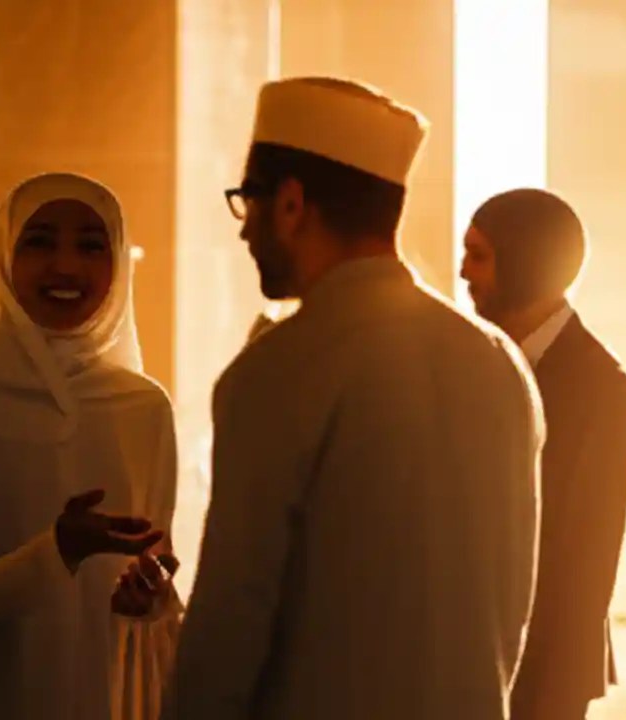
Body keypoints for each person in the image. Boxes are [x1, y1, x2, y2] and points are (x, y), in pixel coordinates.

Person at [164, 77, 543, 720]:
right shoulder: (496, 361)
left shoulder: (278, 371)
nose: (244, 231)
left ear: (290, 203)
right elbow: (510, 605)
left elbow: (233, 619)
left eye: (247, 203)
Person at [0, 173, 182, 720]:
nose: (65, 266)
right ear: (3, 254)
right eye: (40, 241)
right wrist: (56, 552)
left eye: (91, 246)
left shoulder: (144, 410)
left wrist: (149, 598)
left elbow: (151, 592)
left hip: (89, 692)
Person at [461, 188, 626, 719]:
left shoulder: (602, 389)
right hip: (475, 657)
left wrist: (553, 697)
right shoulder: (479, 361)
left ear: (526, 260)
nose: (464, 271)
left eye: (479, 255)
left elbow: (585, 564)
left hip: (543, 675)